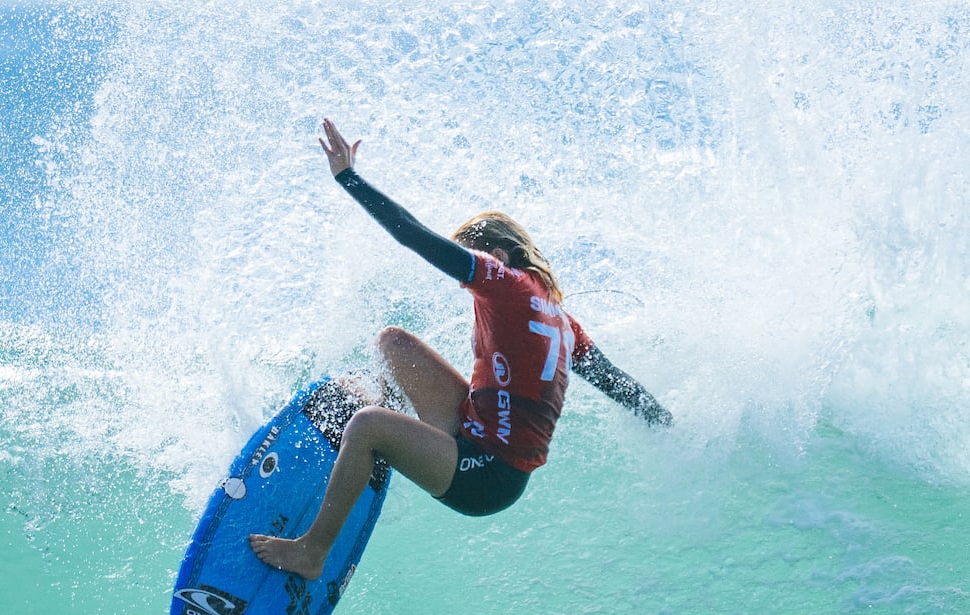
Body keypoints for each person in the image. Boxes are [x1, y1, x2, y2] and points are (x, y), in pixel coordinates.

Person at [249, 118, 670, 579]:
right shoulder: (563, 323)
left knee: (366, 425)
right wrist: (666, 424)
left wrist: (349, 177)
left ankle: (313, 550)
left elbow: (411, 234)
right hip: (473, 429)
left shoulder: (505, 284)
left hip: (489, 476)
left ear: (499, 256)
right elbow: (617, 383)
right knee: (393, 343)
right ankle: (378, 441)